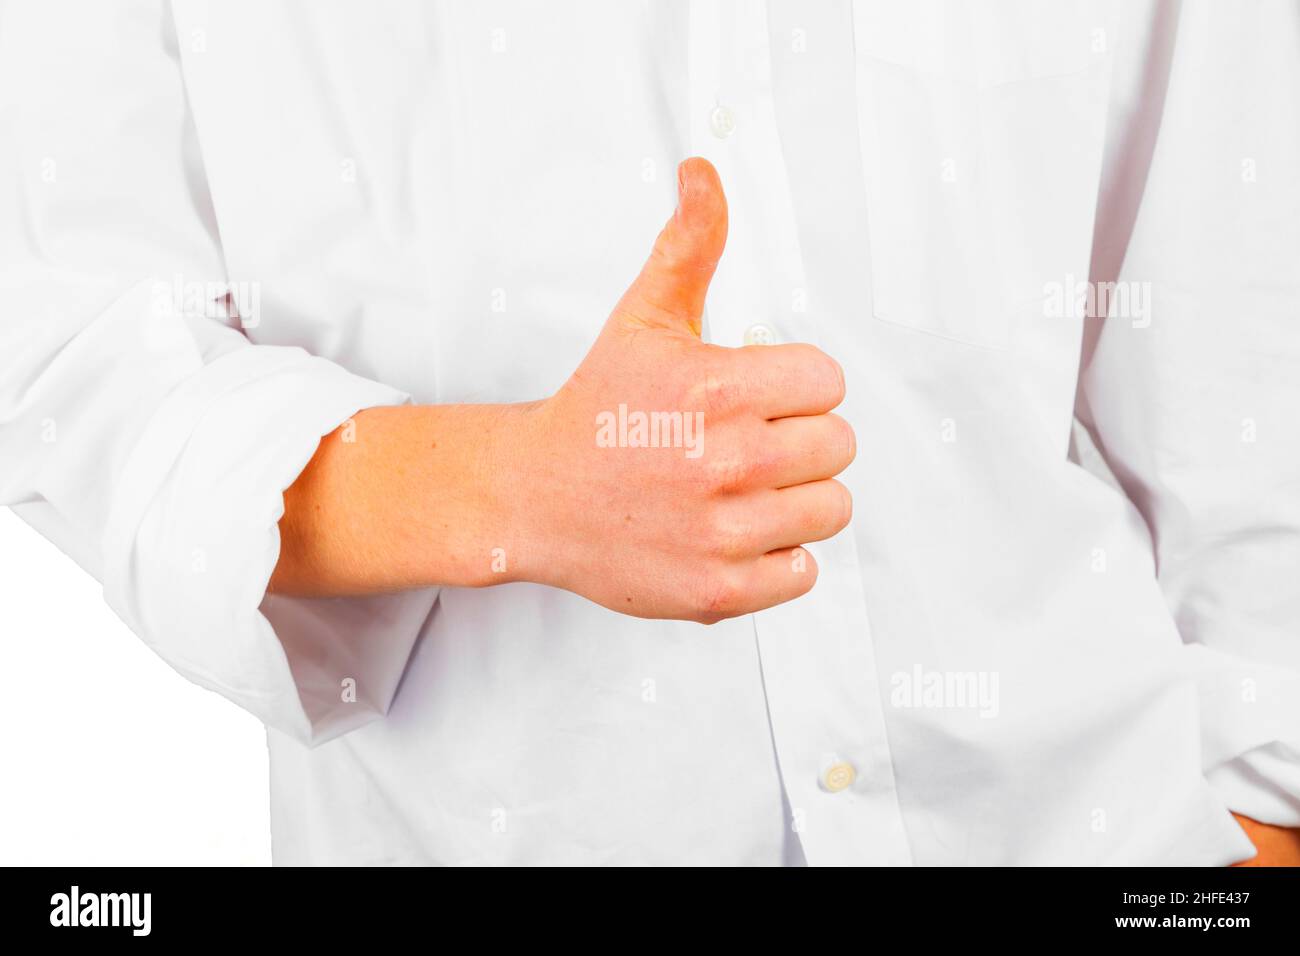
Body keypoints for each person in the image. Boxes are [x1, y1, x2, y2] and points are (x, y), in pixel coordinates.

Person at [2, 0, 1297, 866]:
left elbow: (1242, 337)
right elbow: (64, 336)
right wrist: (507, 491)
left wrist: (1257, 827)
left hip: (1105, 828)